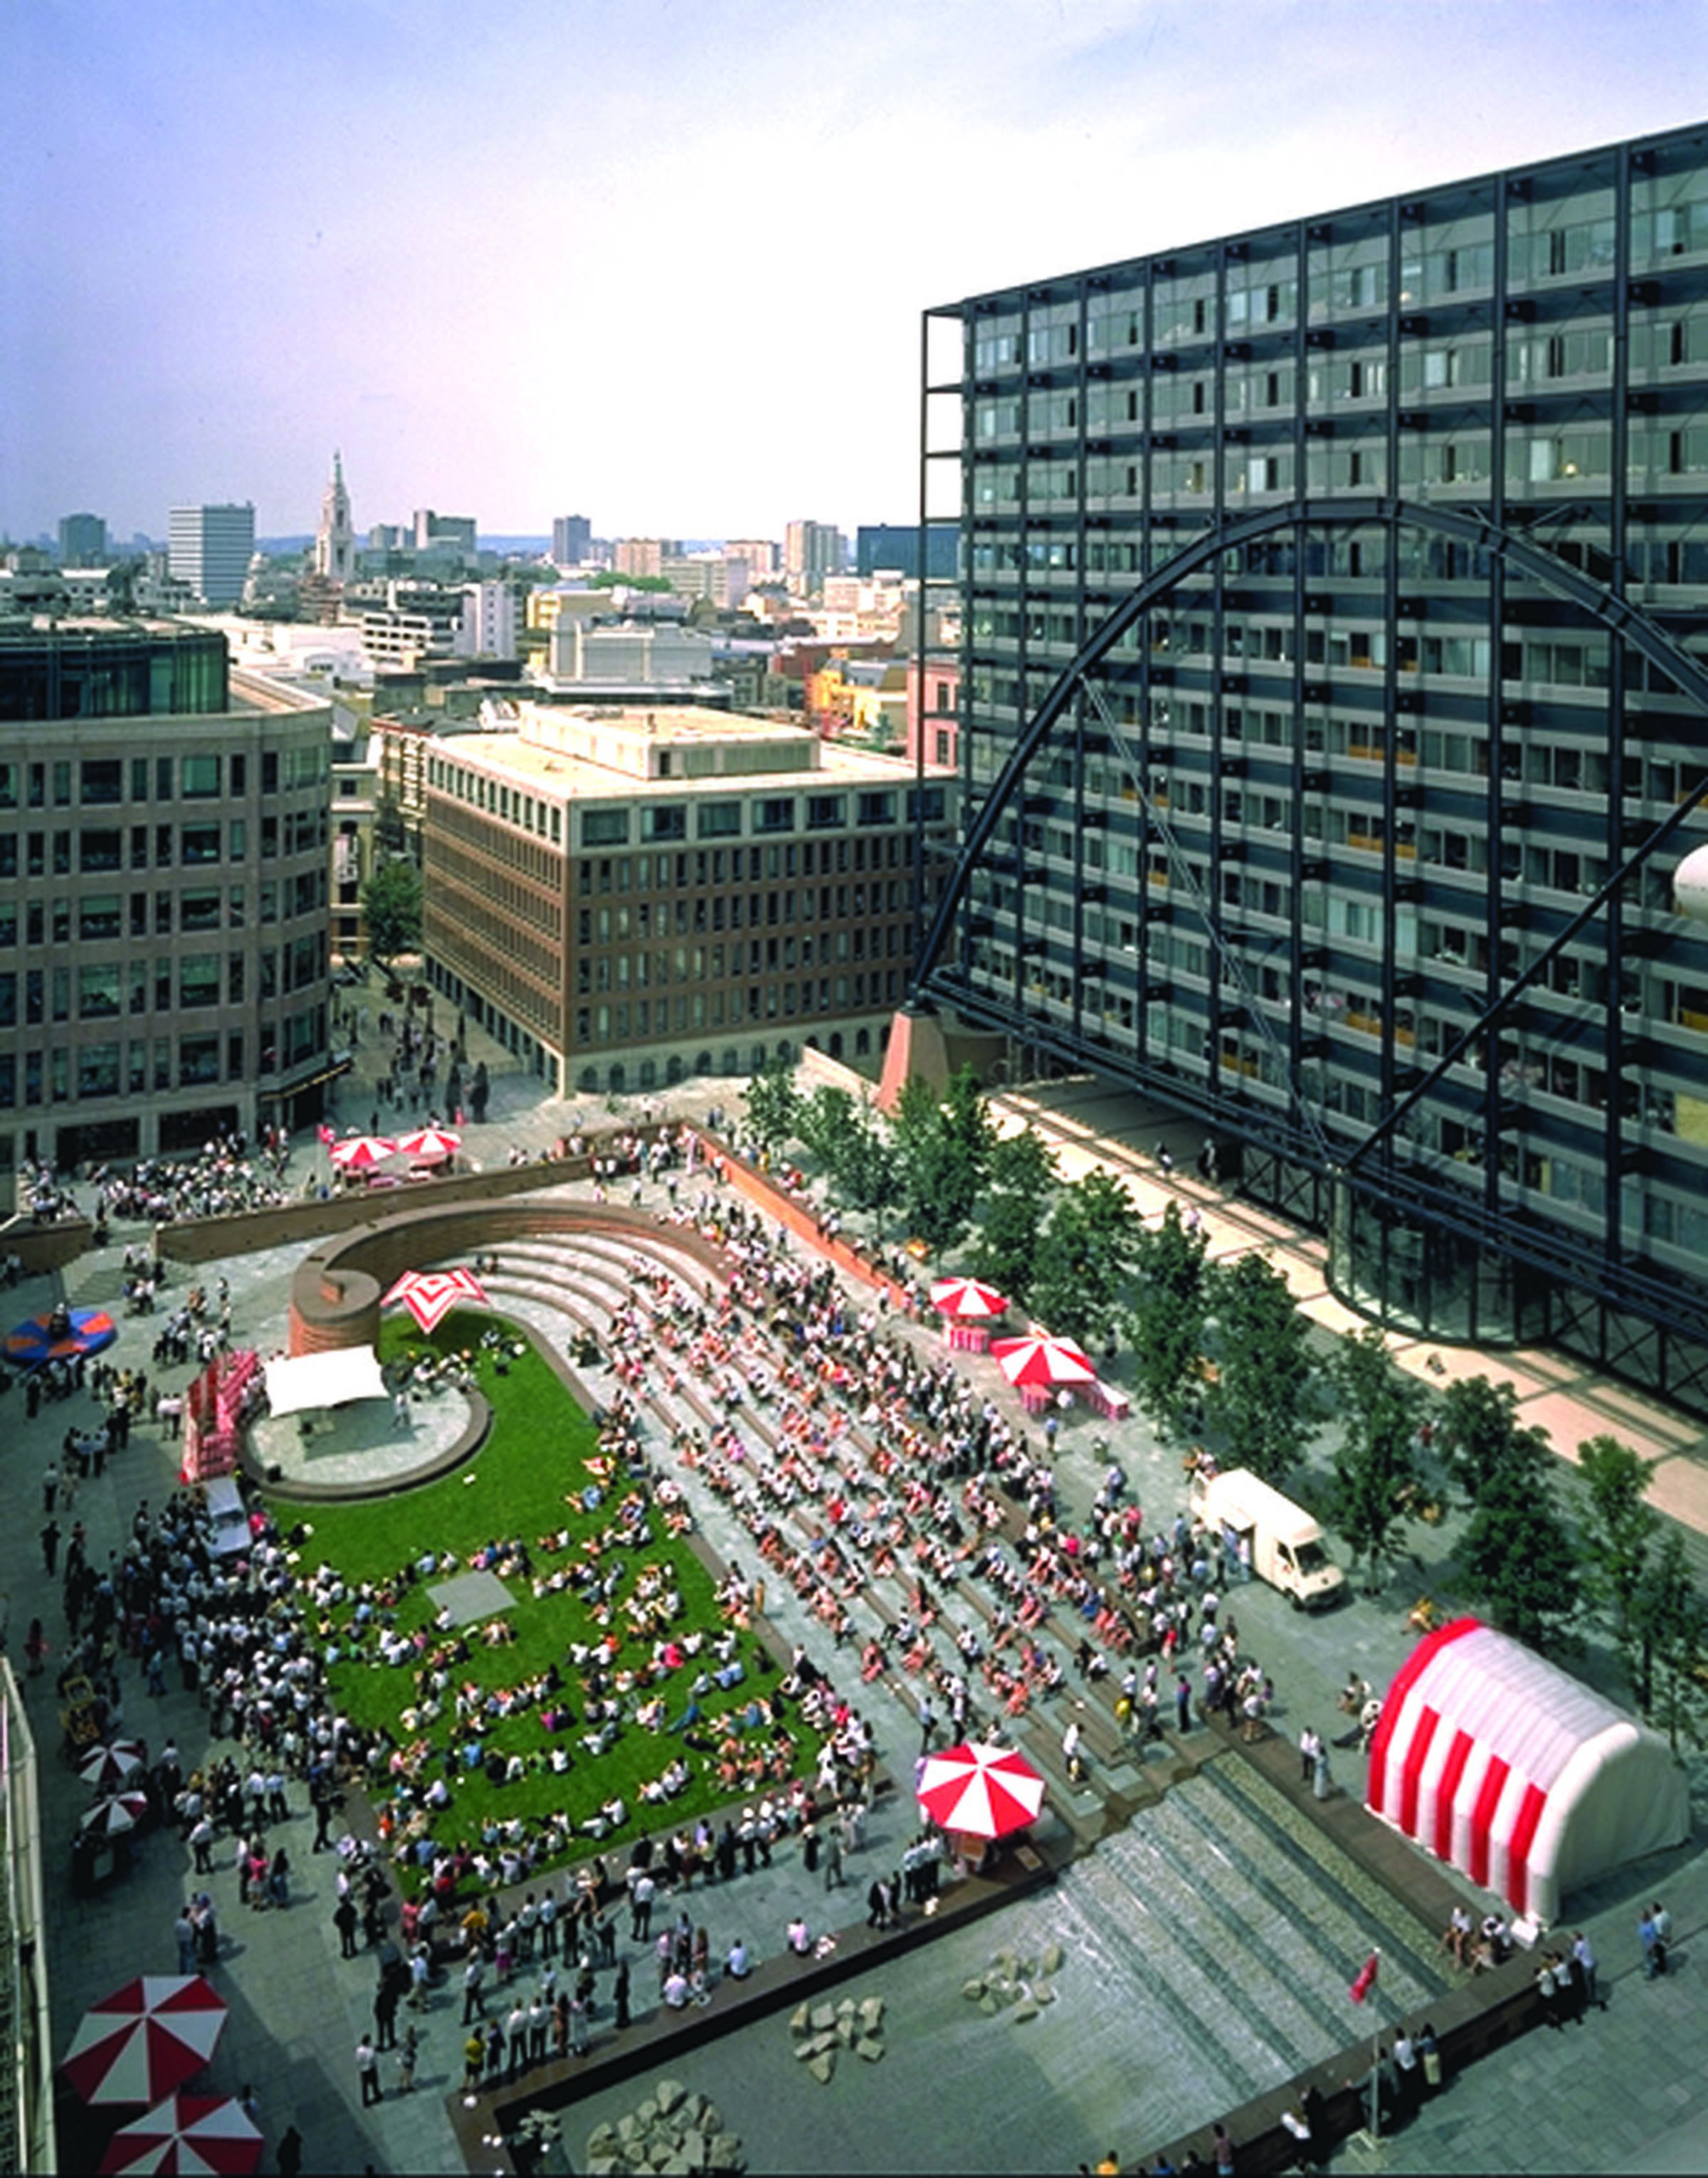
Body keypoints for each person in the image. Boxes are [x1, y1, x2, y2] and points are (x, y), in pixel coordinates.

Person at [356, 2032, 381, 2106]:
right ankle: (377, 2094)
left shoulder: (359, 2049)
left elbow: (358, 2059)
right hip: (370, 2069)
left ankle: (365, 2101)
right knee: (374, 2082)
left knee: (364, 2086)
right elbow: (372, 2059)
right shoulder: (370, 2050)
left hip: (363, 2069)